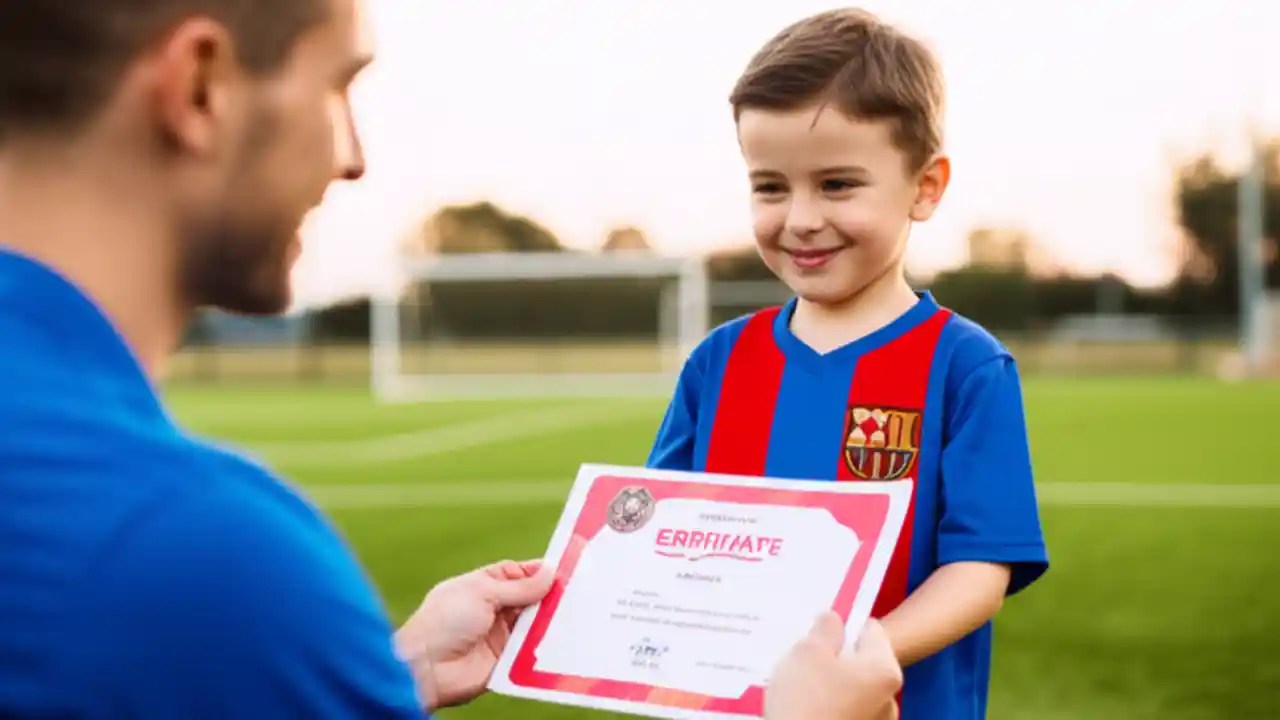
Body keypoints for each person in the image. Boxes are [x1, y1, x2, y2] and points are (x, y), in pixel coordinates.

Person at [0, 0, 903, 717]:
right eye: (336, 85)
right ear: (200, 87)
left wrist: (392, 675)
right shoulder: (202, 560)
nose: (353, 156)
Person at [647, 7, 1050, 720]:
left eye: (836, 185)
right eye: (770, 186)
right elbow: (657, 537)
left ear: (925, 186)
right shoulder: (717, 363)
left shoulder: (965, 367)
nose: (800, 217)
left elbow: (983, 567)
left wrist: (859, 658)